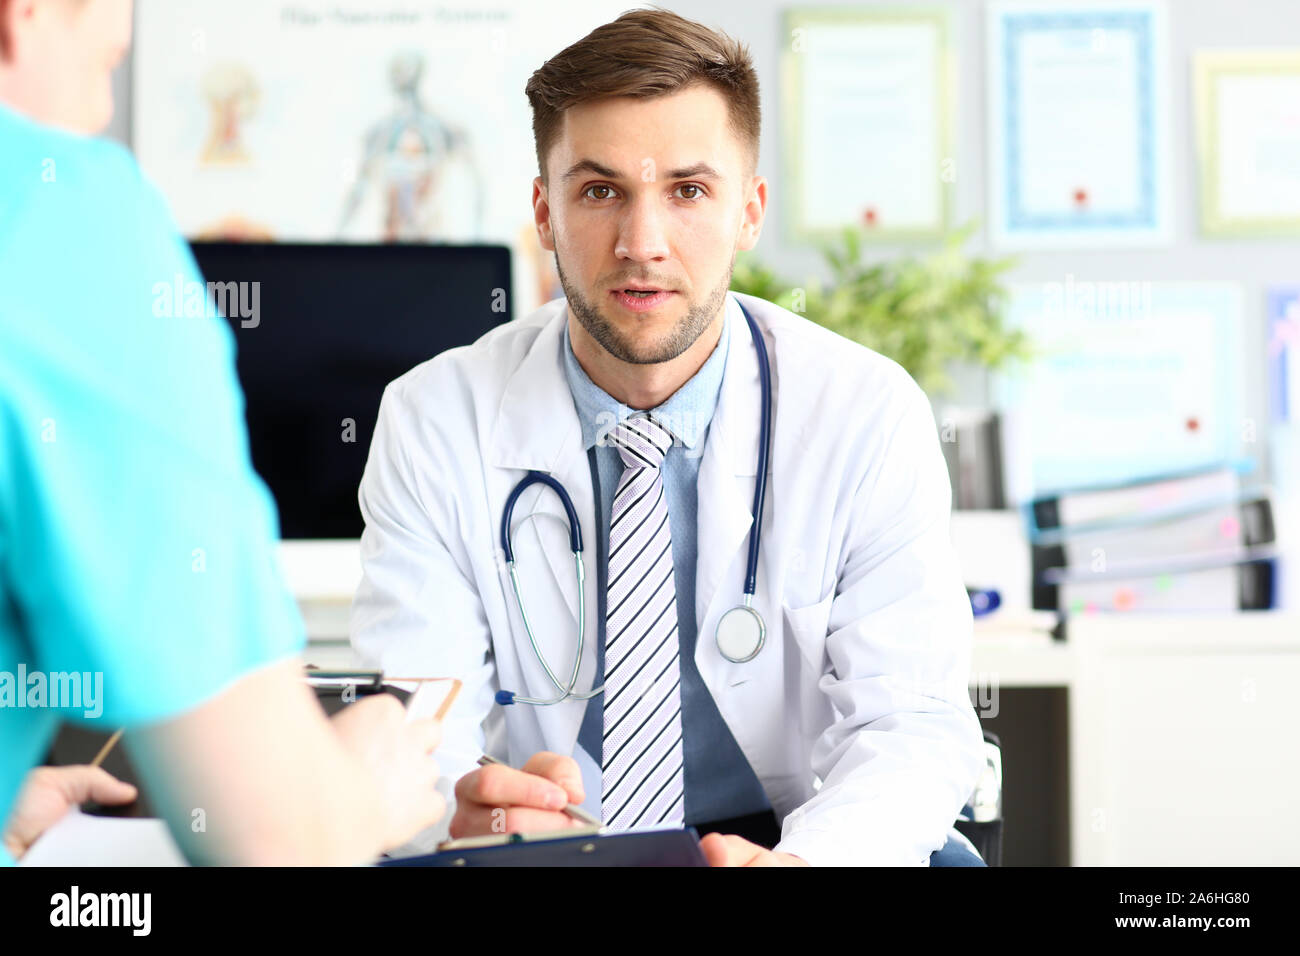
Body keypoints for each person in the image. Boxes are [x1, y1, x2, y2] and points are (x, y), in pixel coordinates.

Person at [350, 8, 987, 867]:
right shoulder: (435, 419)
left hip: (791, 836)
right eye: (600, 190)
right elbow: (421, 722)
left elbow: (909, 721)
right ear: (544, 212)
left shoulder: (865, 414)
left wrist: (804, 864)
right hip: (548, 844)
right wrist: (467, 806)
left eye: (688, 191)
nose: (641, 244)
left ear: (749, 212)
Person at [0, 0, 444, 865]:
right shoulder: (61, 217)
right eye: (104, 51)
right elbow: (280, 842)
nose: (103, 101)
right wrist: (363, 786)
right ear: (29, 12)